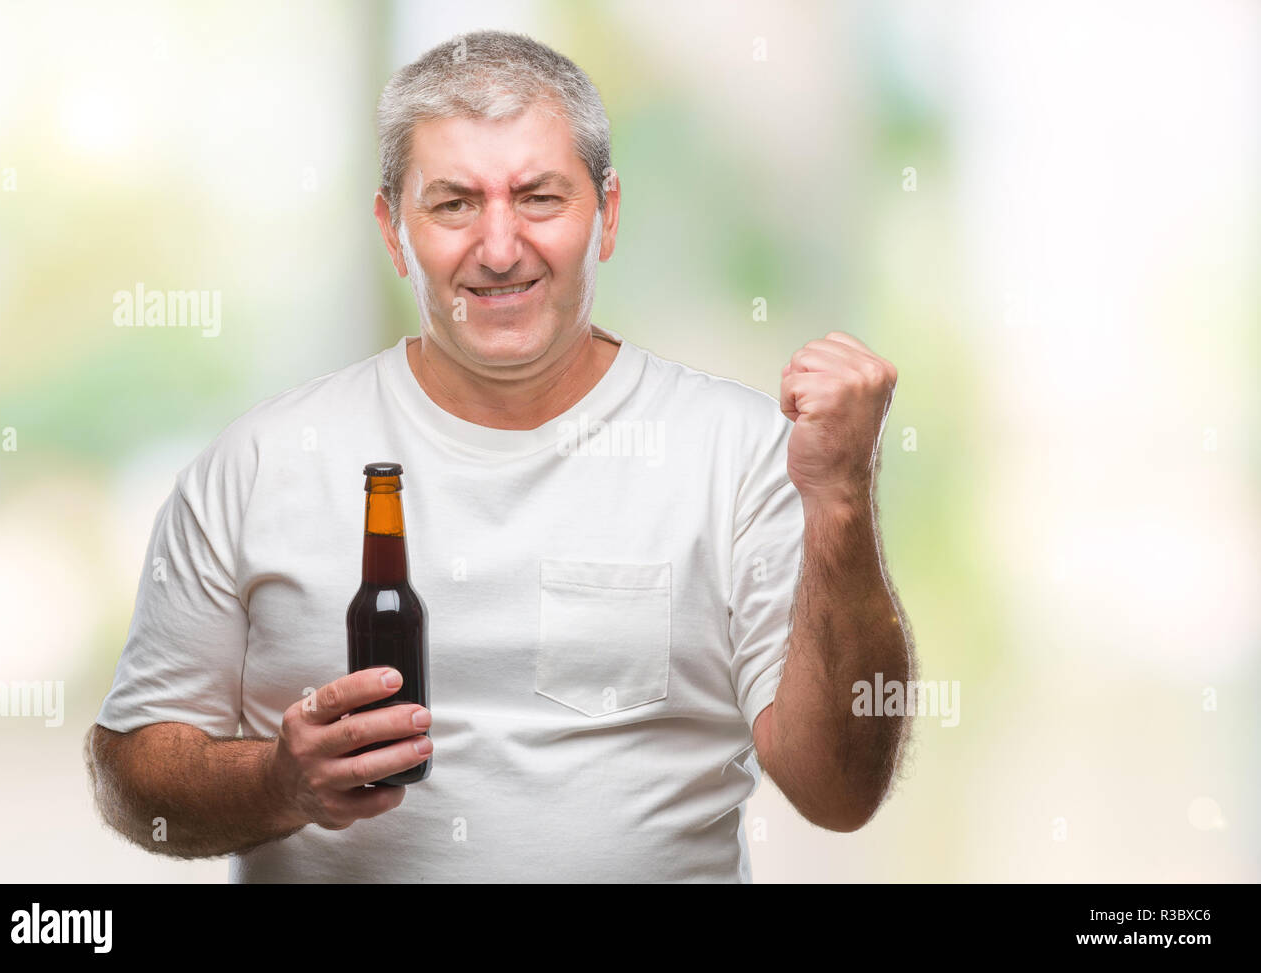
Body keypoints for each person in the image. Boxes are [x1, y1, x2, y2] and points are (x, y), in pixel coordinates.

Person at [86, 29, 913, 883]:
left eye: (539, 198)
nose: (500, 246)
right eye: (453, 204)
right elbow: (132, 773)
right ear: (394, 230)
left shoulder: (738, 454)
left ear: (609, 214)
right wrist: (277, 780)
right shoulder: (257, 465)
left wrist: (844, 496)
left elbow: (839, 792)